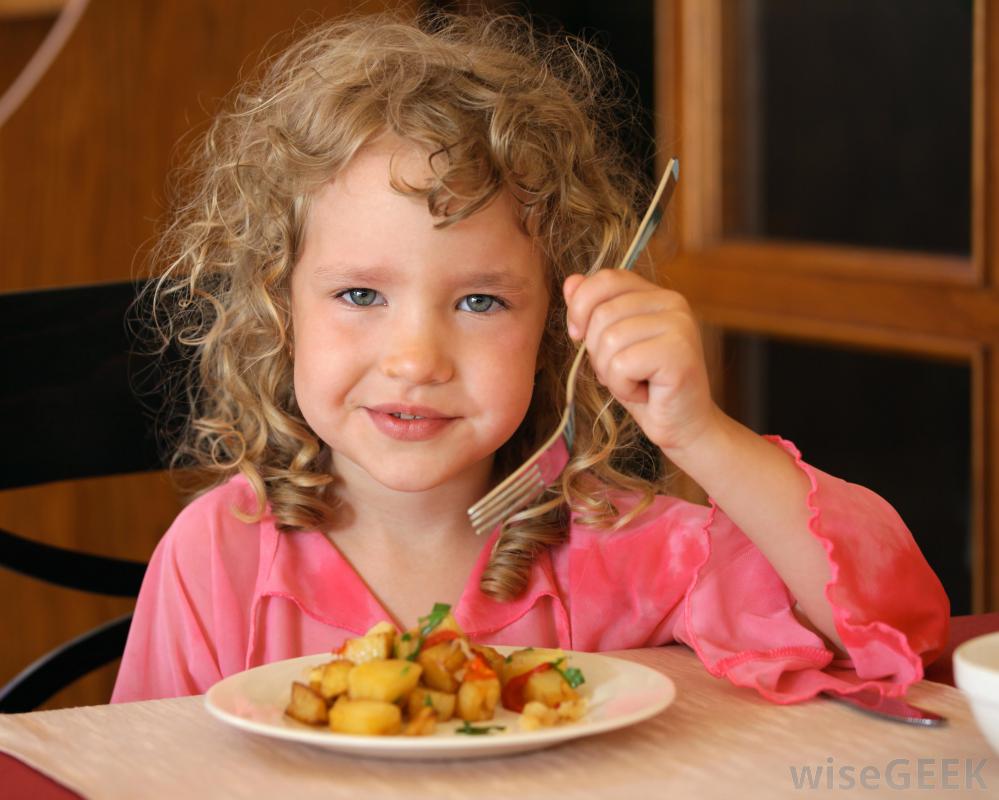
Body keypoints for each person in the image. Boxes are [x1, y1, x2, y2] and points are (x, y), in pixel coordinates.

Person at [112, 10, 948, 705]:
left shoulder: (610, 544)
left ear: (555, 323)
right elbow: (129, 770)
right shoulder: (218, 556)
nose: (415, 359)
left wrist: (698, 433)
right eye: (360, 295)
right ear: (277, 307)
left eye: (480, 301)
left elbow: (892, 631)